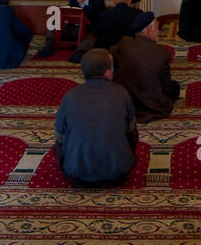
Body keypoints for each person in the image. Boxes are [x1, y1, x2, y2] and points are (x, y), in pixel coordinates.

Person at [53, 49, 138, 187]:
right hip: (117, 174)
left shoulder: (70, 96)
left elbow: (59, 135)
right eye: (111, 67)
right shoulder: (121, 93)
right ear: (107, 72)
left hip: (77, 176)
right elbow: (131, 129)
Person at [113, 11, 179, 123]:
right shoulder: (162, 54)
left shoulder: (123, 43)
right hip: (150, 106)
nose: (159, 32)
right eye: (157, 28)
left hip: (124, 102)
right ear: (149, 29)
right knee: (175, 86)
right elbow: (166, 89)